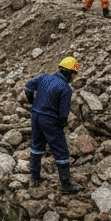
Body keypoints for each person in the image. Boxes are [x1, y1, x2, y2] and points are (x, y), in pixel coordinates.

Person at [24, 56, 82, 194]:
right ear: (72, 75)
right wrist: (61, 124)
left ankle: (35, 177)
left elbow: (27, 87)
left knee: (37, 145)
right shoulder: (66, 89)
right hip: (50, 120)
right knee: (61, 150)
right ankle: (66, 185)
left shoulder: (45, 77)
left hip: (35, 116)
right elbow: (63, 114)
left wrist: (33, 102)